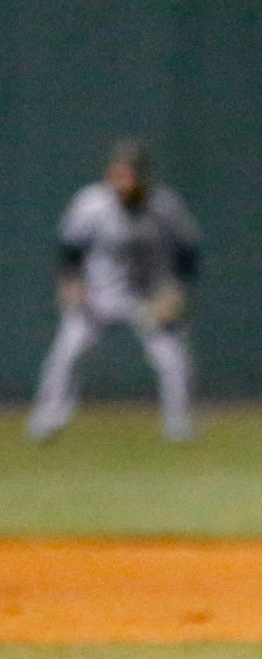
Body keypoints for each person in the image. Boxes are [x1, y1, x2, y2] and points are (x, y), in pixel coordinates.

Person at [28, 138, 202, 443]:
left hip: (148, 298)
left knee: (173, 360)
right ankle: (47, 421)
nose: (122, 180)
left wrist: (174, 294)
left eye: (129, 174)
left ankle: (179, 426)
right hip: (98, 296)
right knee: (67, 353)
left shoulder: (164, 206)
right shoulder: (91, 204)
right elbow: (70, 251)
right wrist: (71, 286)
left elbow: (188, 252)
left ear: (142, 176)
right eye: (118, 172)